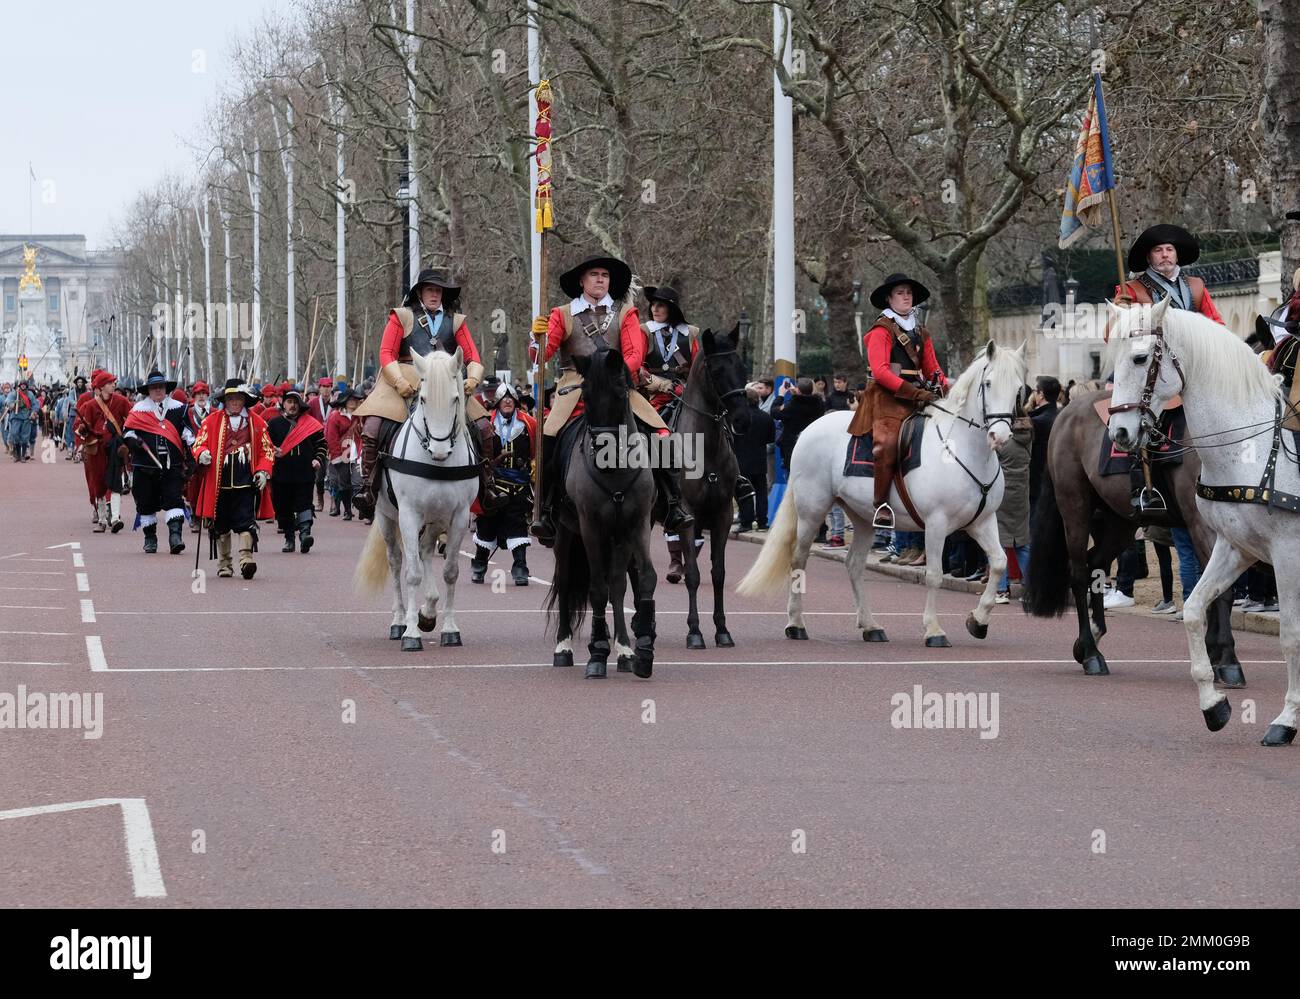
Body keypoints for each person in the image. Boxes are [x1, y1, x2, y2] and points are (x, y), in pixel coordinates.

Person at [528, 253, 691, 546]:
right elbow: (541, 356)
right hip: (575, 387)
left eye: (605, 275)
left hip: (617, 385)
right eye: (594, 274)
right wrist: (535, 338)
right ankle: (546, 509)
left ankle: (672, 504)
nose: (600, 280)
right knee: (548, 436)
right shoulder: (562, 314)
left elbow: (634, 354)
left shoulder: (626, 313)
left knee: (662, 434)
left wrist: (611, 376)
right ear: (582, 281)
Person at [352, 268, 494, 520]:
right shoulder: (402, 316)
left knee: (484, 427)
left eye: (438, 291)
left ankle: (488, 485)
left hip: (447, 380)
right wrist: (398, 381)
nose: (435, 295)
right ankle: (368, 487)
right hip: (404, 375)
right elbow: (386, 353)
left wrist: (472, 379)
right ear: (420, 293)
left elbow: (472, 356)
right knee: (373, 426)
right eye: (430, 290)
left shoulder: (456, 321)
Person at [862, 272, 949, 531]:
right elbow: (880, 372)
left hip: (918, 394)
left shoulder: (921, 331)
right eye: (900, 293)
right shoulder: (881, 330)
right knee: (887, 443)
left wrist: (949, 389)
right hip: (887, 397)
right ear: (889, 299)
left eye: (909, 293)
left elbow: (933, 369)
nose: (906, 297)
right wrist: (914, 393)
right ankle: (881, 505)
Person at [191, 379, 276, 579]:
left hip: (245, 481)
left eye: (238, 398)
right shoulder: (211, 421)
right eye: (231, 399)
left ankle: (246, 560)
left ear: (245, 400)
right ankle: (224, 564)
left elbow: (267, 451)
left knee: (245, 521)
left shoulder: (257, 422)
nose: (235, 402)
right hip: (219, 482)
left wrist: (263, 471)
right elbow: (198, 443)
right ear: (225, 401)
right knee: (221, 524)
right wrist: (201, 453)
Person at [470, 383, 537, 586]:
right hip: (493, 484)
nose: (507, 401)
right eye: (503, 399)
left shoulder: (529, 423)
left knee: (518, 525)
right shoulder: (486, 424)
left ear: (515, 402)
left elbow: (535, 452)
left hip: (519, 484)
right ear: (497, 403)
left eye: (511, 398)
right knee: (486, 525)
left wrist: (532, 470)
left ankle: (520, 567)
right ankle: (479, 564)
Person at [123, 368, 194, 554]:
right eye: (154, 387)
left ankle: (175, 537)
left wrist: (193, 456)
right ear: (148, 390)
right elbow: (128, 433)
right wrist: (134, 442)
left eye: (161, 387)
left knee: (174, 499)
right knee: (145, 502)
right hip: (145, 466)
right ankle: (150, 538)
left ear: (166, 389)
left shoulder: (179, 408)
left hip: (172, 464)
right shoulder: (138, 410)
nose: (158, 390)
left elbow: (188, 435)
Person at [266, 388, 327, 553]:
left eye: (295, 402)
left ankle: (305, 534)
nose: (292, 405)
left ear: (300, 405)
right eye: (289, 402)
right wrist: (273, 450)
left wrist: (318, 459)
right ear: (284, 404)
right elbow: (266, 446)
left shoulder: (311, 424)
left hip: (304, 472)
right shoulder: (274, 424)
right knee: (283, 507)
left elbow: (322, 444)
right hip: (281, 474)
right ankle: (289, 538)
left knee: (304, 503)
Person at [75, 370, 131, 533]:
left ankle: (115, 518)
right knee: (98, 483)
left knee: (115, 481)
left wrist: (128, 441)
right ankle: (101, 520)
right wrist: (83, 429)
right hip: (97, 448)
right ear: (101, 387)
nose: (114, 385)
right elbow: (85, 428)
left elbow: (131, 420)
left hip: (115, 446)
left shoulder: (122, 401)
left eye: (113, 382)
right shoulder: (91, 405)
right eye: (110, 383)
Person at [994, 404, 1033, 603]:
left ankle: (1001, 590)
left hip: (1004, 495)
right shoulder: (1029, 440)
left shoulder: (1005, 444)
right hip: (1022, 495)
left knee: (1000, 544)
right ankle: (1031, 589)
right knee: (1022, 544)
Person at [732, 386, 776, 534]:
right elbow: (770, 438)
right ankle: (762, 521)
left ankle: (746, 521)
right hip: (760, 459)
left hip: (742, 460)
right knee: (761, 492)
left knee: (745, 492)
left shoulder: (738, 418)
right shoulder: (766, 417)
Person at [326, 389, 364, 521]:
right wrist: (337, 457)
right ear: (344, 401)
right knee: (344, 484)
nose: (354, 402)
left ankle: (361, 509)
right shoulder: (335, 417)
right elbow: (332, 439)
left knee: (358, 483)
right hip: (342, 455)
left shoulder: (361, 415)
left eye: (355, 399)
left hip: (358, 453)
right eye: (351, 399)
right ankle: (348, 510)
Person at [1026, 375, 1061, 516]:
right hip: (1056, 476)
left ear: (1041, 395)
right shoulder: (1061, 416)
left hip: (1037, 477)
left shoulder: (1036, 421)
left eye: (1036, 391)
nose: (1034, 394)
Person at [307, 377, 333, 511]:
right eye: (324, 387)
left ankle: (334, 502)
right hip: (318, 442)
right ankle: (320, 500)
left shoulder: (336, 402)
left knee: (334, 476)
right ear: (319, 388)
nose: (326, 389)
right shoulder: (312, 403)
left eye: (328, 387)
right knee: (319, 476)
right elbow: (306, 419)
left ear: (331, 388)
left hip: (334, 442)